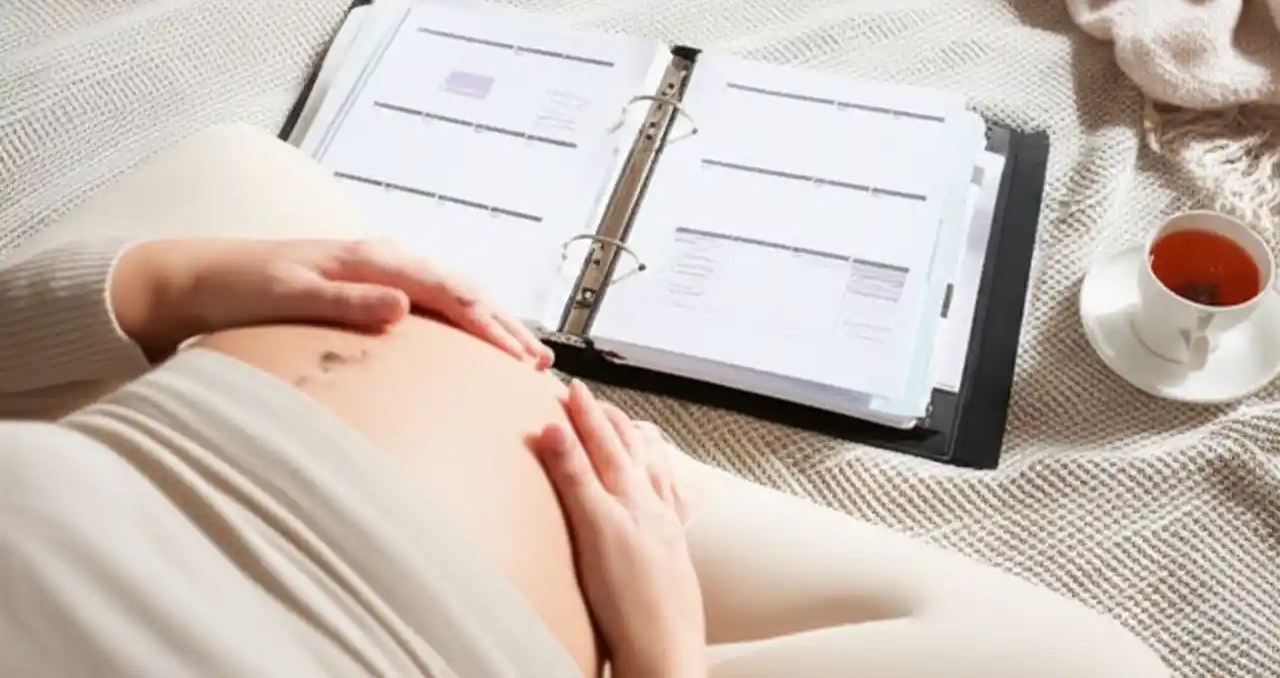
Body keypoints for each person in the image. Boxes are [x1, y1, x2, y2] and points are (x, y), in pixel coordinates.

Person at [0, 126, 1170, 677]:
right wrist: (656, 652)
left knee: (239, 166)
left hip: (154, 433)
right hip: (544, 613)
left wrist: (178, 286)